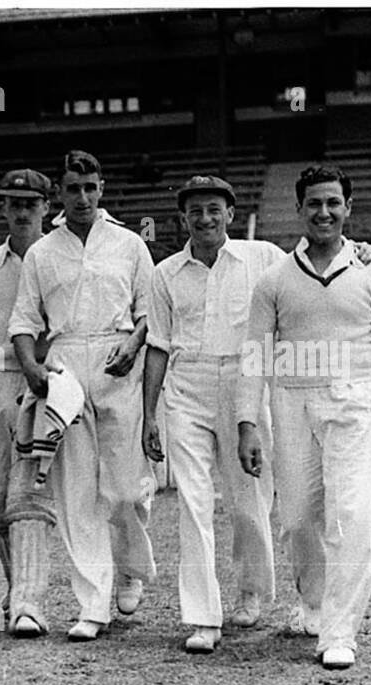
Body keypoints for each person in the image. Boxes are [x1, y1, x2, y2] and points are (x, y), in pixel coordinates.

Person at [236, 164, 371, 670]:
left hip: (356, 401)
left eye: (334, 202)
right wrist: (248, 421)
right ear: (299, 209)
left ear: (348, 208)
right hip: (292, 403)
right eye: (314, 203)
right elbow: (255, 355)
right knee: (298, 517)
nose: (325, 212)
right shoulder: (274, 279)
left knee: (351, 514)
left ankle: (339, 631)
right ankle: (313, 605)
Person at [9, 149, 157, 641]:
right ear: (61, 192)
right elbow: (25, 322)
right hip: (67, 365)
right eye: (73, 189)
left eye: (90, 188)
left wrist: (134, 344)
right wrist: (31, 367)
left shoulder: (130, 243)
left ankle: (131, 566)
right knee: (76, 495)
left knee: (121, 490)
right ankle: (92, 605)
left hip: (118, 363)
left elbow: (148, 311)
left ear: (102, 188)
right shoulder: (42, 253)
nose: (83, 198)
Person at [141, 177, 281, 654]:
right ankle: (203, 616)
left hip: (243, 385)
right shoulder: (165, 273)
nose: (205, 219)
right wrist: (149, 416)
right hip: (186, 386)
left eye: (214, 209)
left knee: (248, 497)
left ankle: (252, 591)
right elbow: (158, 346)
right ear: (183, 218)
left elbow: (307, 276)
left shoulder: (261, 258)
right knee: (193, 502)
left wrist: (360, 250)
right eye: (195, 211)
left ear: (230, 213)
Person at [0, 169, 53, 632]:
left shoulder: (57, 258)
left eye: (31, 204)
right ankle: (14, 587)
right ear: (2, 208)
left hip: (41, 382)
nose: (22, 212)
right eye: (13, 204)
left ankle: (29, 602)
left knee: (30, 496)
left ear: (45, 207)